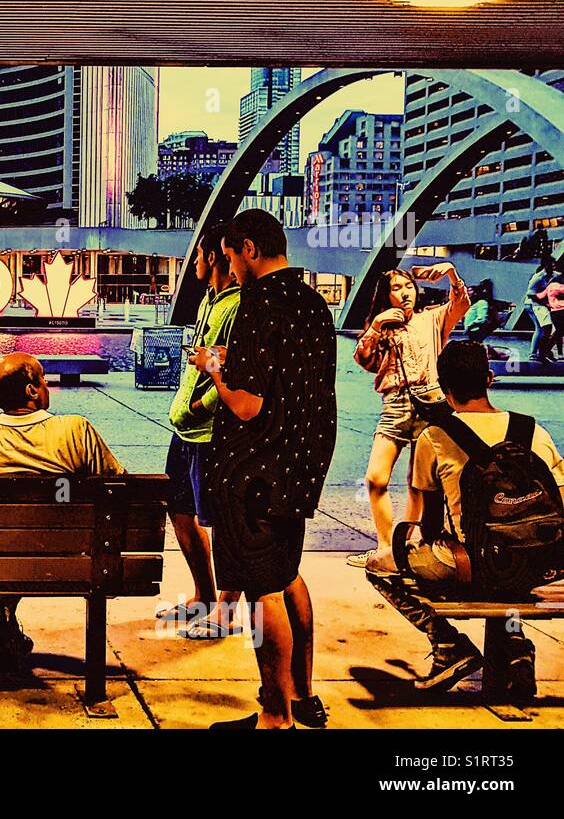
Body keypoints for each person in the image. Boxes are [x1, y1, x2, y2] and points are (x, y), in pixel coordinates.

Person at [190, 209, 336, 729]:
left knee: (262, 591)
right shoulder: (313, 302)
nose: (229, 268)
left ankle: (275, 716)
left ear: (248, 247)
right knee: (288, 574)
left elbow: (247, 403)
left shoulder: (256, 302)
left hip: (253, 470)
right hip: (301, 462)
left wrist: (212, 367)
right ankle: (301, 696)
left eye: (230, 256)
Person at [365, 341, 564, 698]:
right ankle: (515, 642)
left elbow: (428, 525)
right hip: (539, 564)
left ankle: (447, 646)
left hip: (476, 568)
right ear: (490, 378)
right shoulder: (533, 431)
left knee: (380, 565)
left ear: (443, 388)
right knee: (508, 565)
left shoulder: (435, 436)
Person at [0, 352, 124, 674]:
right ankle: (5, 641)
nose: (47, 386)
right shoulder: (76, 430)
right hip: (71, 561)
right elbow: (117, 485)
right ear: (31, 391)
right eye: (44, 380)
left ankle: (1, 641)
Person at [348, 261, 470, 567]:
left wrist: (451, 273)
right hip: (396, 404)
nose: (405, 293)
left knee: (421, 485)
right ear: (385, 295)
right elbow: (364, 360)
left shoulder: (432, 318)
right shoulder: (383, 325)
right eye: (396, 288)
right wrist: (376, 327)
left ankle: (407, 551)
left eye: (408, 286)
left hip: (431, 402)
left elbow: (461, 304)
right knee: (375, 478)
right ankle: (385, 546)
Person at [163, 222, 244, 639]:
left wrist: (201, 404)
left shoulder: (236, 307)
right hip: (186, 429)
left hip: (211, 431)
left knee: (223, 520)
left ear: (213, 257)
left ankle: (227, 610)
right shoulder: (209, 302)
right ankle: (204, 594)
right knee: (180, 511)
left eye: (197, 255)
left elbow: (235, 370)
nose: (194, 262)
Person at [522, 262, 555, 363]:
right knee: (540, 329)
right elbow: (531, 295)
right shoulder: (538, 277)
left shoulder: (553, 275)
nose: (554, 267)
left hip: (536, 304)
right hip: (532, 304)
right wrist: (546, 304)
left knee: (542, 329)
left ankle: (541, 352)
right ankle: (534, 354)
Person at [544, 258, 564, 359]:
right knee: (560, 331)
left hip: (557, 309)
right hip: (558, 309)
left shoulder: (556, 279)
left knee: (560, 331)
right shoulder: (557, 281)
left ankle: (552, 352)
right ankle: (546, 351)